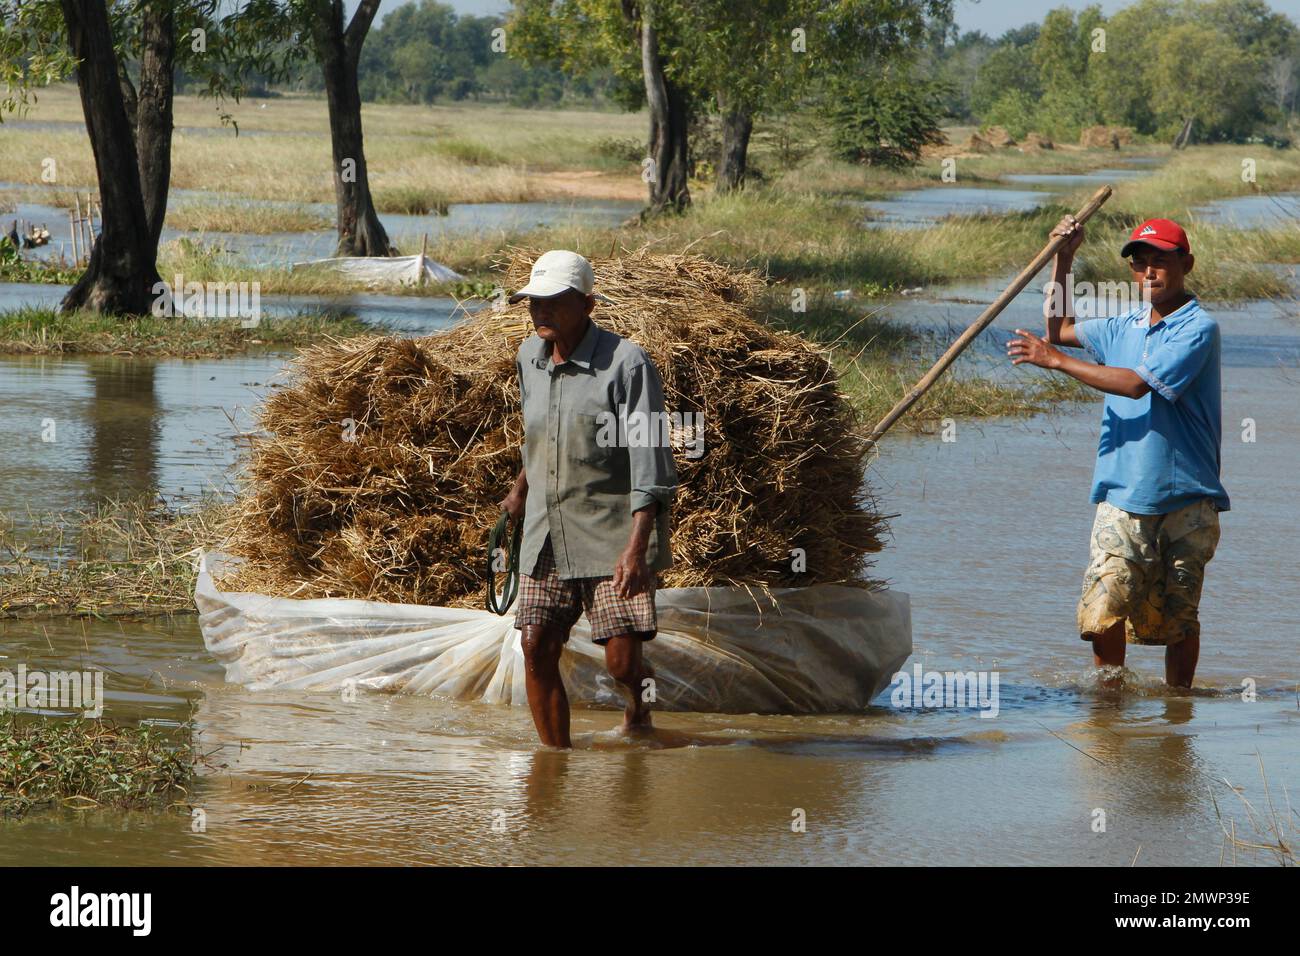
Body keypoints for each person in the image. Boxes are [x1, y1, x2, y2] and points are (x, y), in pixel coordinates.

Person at [1006, 217, 1228, 688]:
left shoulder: (1198, 329)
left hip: (1186, 497)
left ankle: (1177, 710)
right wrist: (1064, 259)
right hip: (1121, 493)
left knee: (1178, 618)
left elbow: (1134, 384)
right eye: (1140, 264)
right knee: (1103, 606)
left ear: (1186, 264)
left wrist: (1056, 360)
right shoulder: (1122, 326)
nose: (1149, 273)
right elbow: (1060, 327)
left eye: (1161, 262)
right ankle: (1109, 699)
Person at [498, 250, 677, 746]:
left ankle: (638, 710)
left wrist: (637, 547)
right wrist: (519, 490)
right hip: (546, 530)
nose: (541, 312)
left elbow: (651, 456)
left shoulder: (627, 363)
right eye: (534, 302)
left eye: (555, 302)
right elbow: (541, 438)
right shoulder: (528, 360)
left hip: (612, 531)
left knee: (621, 661)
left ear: (588, 304)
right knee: (535, 647)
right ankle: (554, 763)